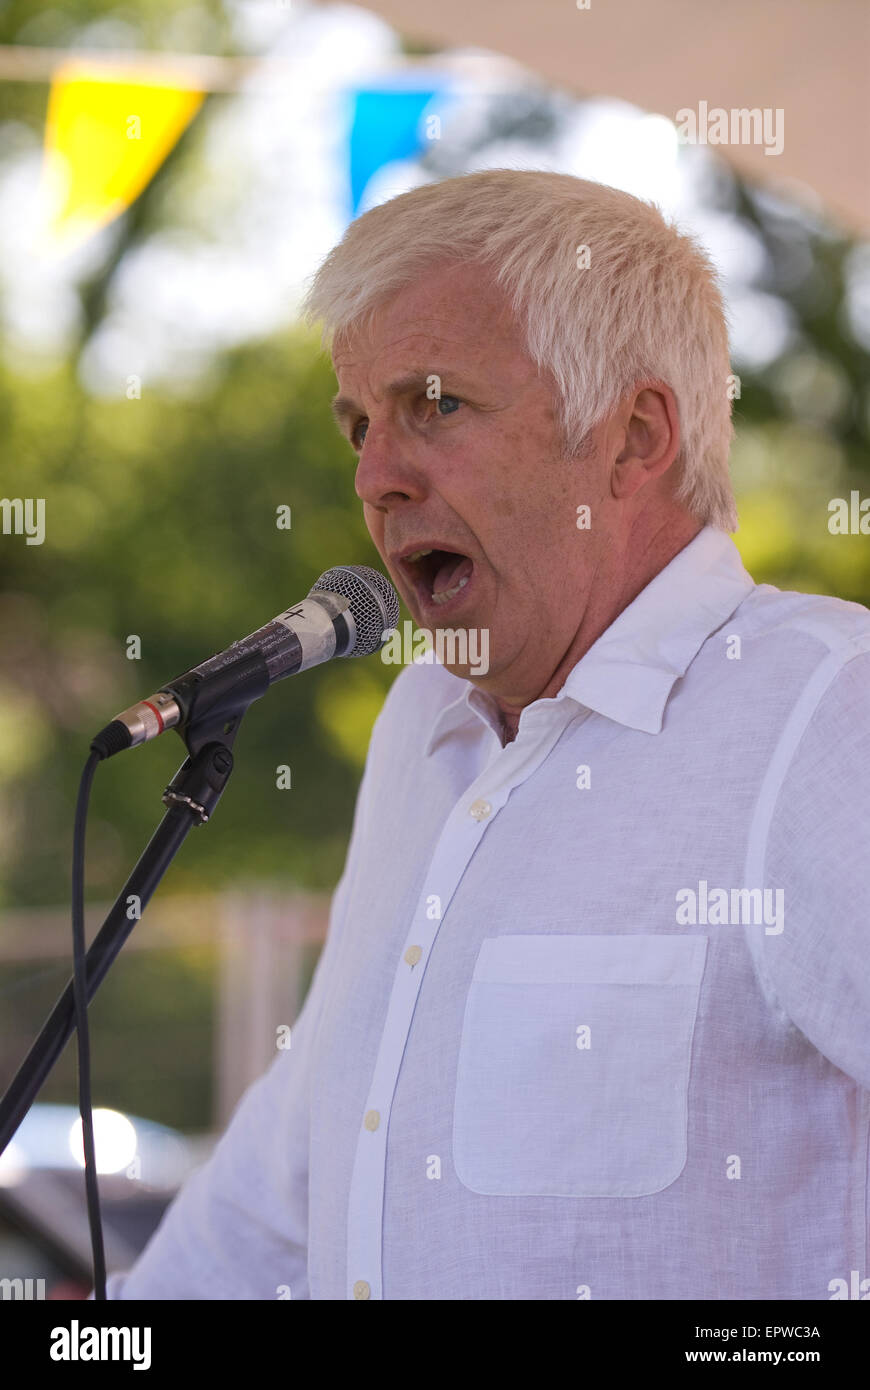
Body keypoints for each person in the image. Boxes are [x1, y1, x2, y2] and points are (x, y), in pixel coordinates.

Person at [105, 171, 870, 1300]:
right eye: (360, 423)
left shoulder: (825, 712)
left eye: (437, 405)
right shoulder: (424, 726)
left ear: (633, 437)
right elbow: (280, 1196)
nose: (375, 476)